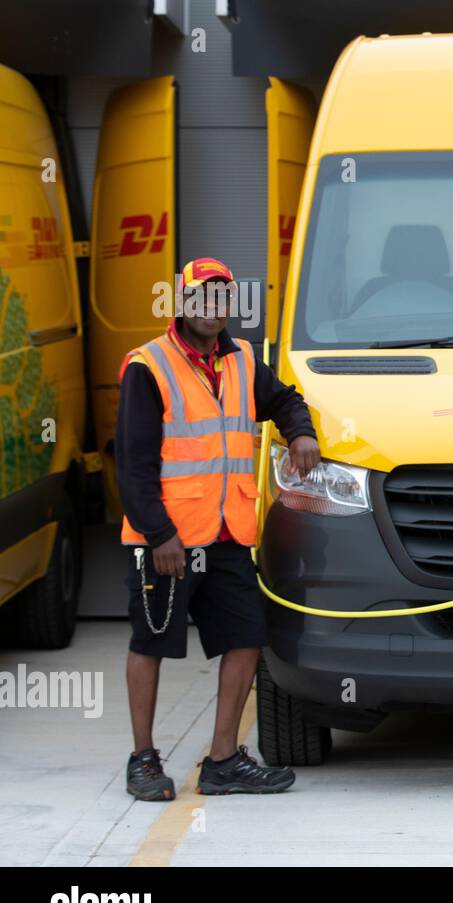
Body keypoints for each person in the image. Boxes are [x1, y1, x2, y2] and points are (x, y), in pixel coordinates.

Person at [118, 257, 321, 799]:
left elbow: (283, 399)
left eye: (221, 298)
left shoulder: (241, 359)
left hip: (228, 534)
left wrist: (299, 432)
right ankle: (142, 760)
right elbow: (133, 465)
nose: (212, 309)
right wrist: (158, 534)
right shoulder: (149, 366)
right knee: (151, 643)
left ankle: (224, 759)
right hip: (169, 542)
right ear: (182, 302)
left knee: (247, 641)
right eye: (201, 298)